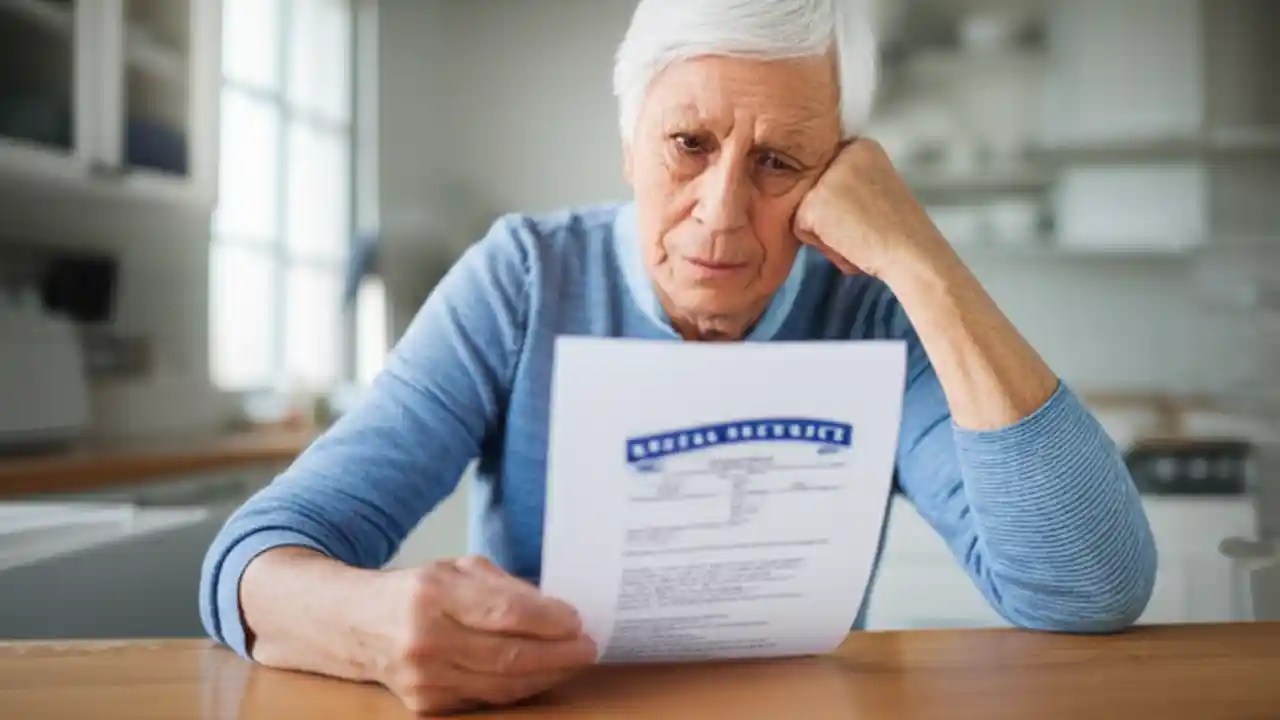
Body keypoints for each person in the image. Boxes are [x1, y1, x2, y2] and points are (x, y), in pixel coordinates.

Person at [200, 0, 1157, 713]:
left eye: (781, 162)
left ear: (839, 173)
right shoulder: (523, 279)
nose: (723, 211)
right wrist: (373, 629)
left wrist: (919, 258)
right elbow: (253, 559)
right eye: (688, 145)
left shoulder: (873, 311)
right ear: (628, 141)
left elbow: (1089, 589)